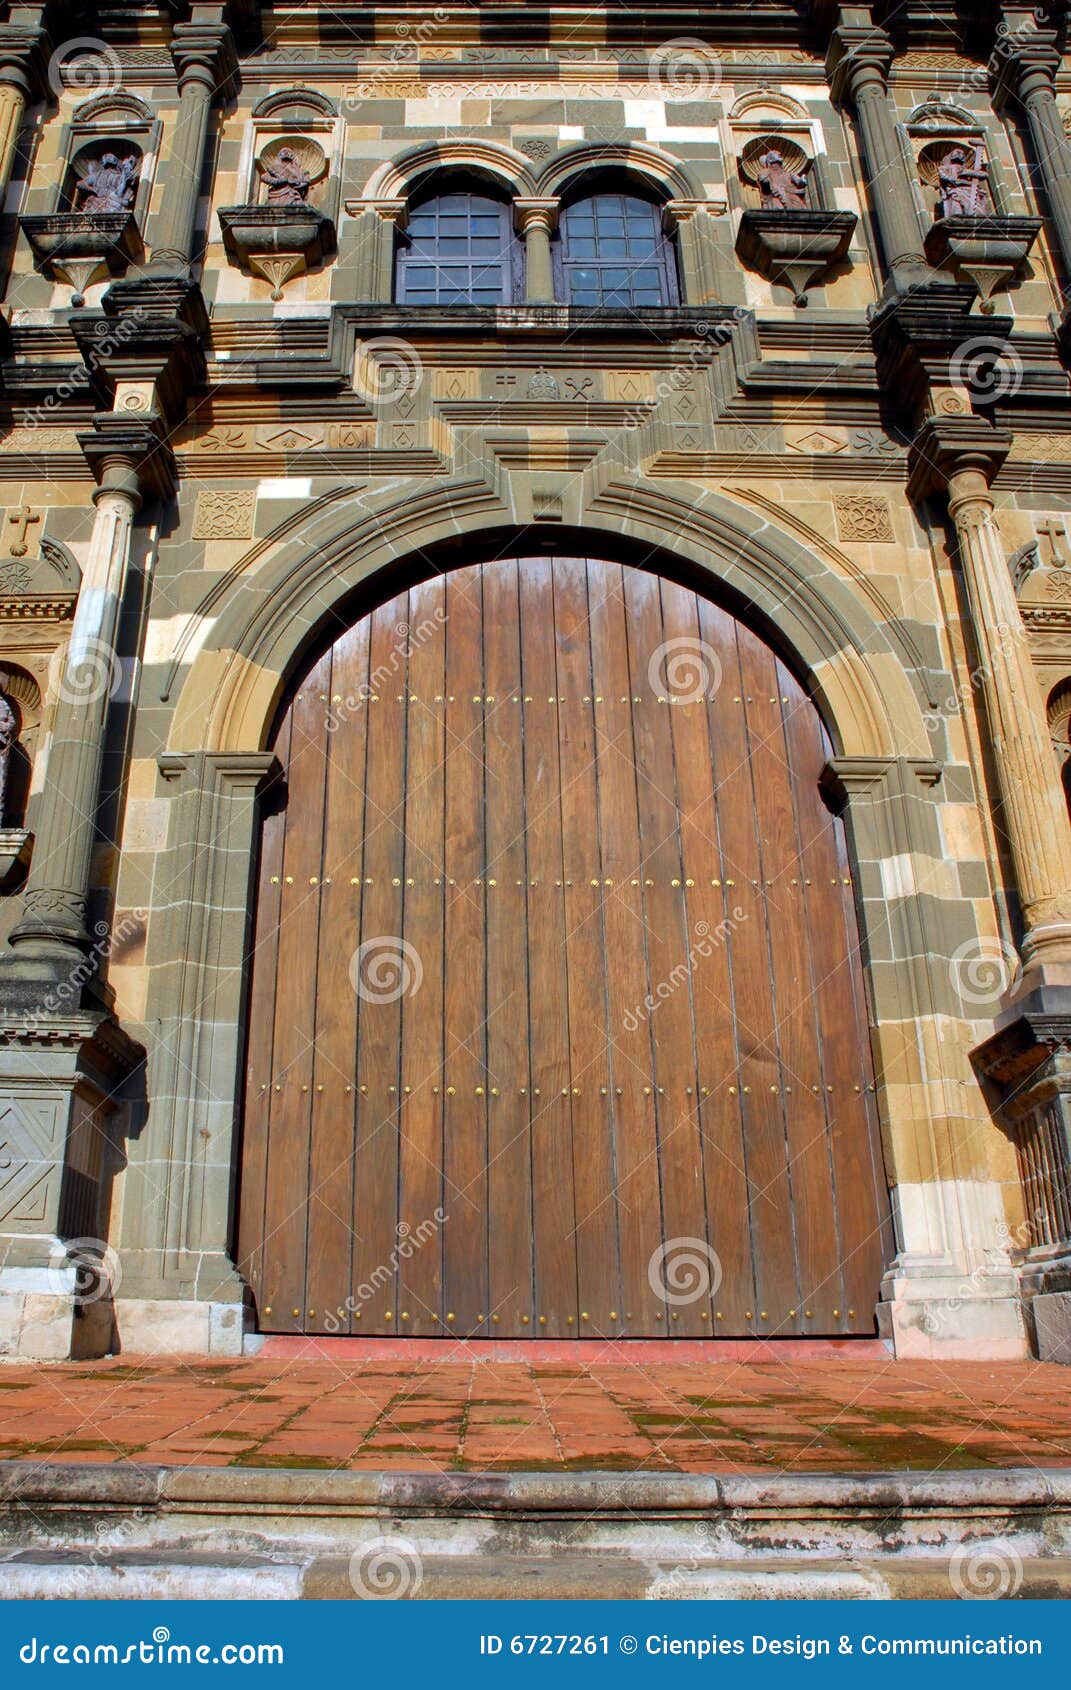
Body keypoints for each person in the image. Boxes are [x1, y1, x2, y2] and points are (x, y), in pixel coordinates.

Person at [937, 146, 992, 218]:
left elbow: (984, 175)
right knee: (956, 212)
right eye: (957, 153)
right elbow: (943, 176)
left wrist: (966, 172)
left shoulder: (964, 169)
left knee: (977, 211)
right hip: (955, 191)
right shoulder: (944, 168)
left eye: (960, 154)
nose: (959, 155)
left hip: (969, 191)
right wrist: (954, 180)